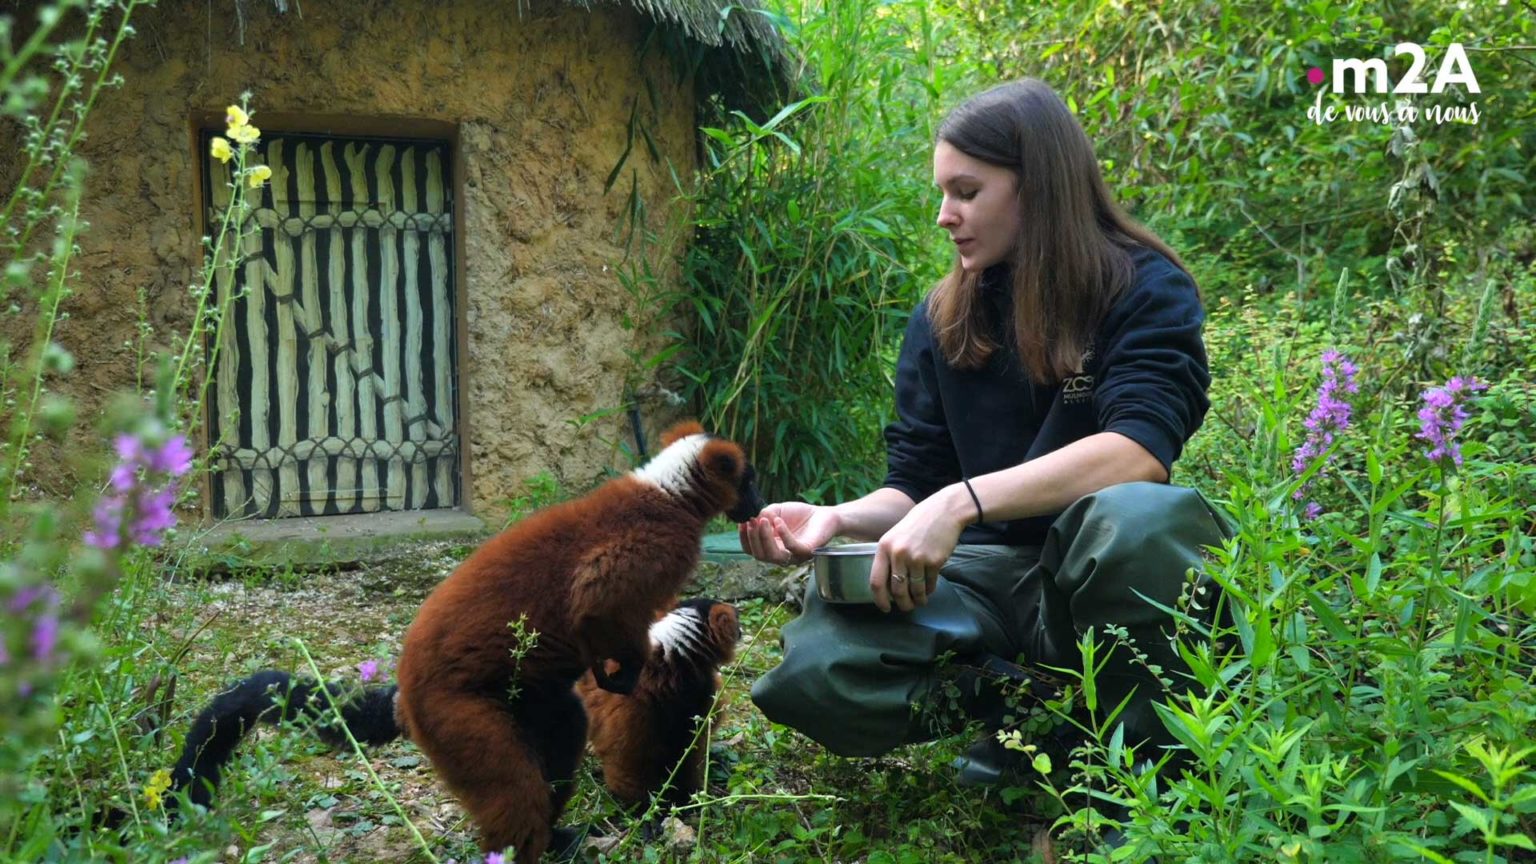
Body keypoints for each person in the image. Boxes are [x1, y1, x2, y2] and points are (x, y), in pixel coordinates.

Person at [741, 78, 1233, 843]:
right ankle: (1032, 723)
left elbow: (1139, 451)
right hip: (979, 586)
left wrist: (961, 503)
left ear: (1036, 188)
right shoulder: (941, 318)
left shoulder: (1142, 288)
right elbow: (915, 480)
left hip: (1093, 571)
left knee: (1139, 520)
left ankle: (1147, 790)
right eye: (943, 193)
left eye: (966, 191)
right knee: (815, 673)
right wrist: (839, 518)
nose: (945, 215)